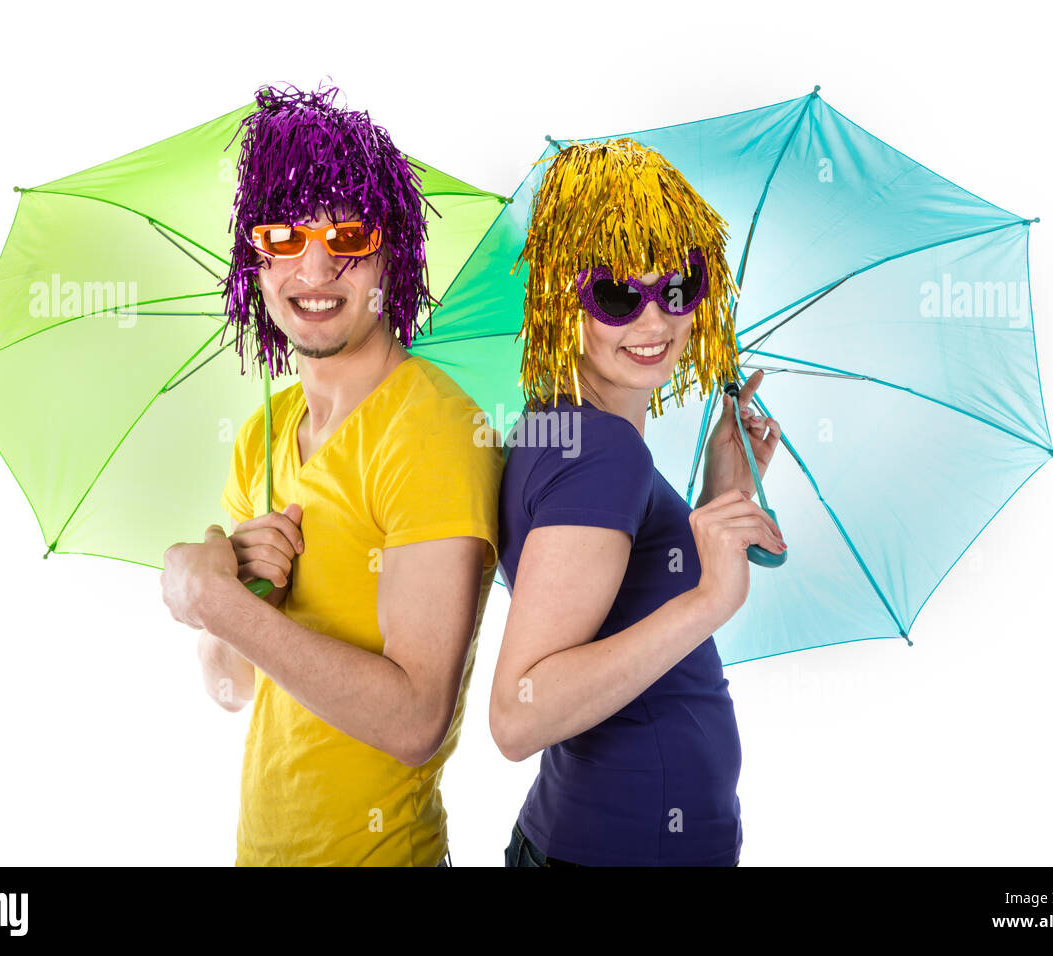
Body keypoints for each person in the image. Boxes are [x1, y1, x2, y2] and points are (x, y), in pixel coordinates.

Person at [159, 83, 502, 867]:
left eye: (349, 233)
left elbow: (416, 722)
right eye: (283, 234)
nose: (314, 268)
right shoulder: (262, 434)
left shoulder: (432, 428)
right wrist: (241, 592)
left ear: (396, 254)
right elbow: (232, 689)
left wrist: (220, 606)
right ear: (254, 256)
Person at [490, 139, 785, 866]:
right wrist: (710, 601)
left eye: (678, 287)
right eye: (617, 294)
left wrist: (722, 491)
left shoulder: (555, 426)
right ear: (563, 300)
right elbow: (517, 716)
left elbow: (607, 602)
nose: (656, 324)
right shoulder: (605, 454)